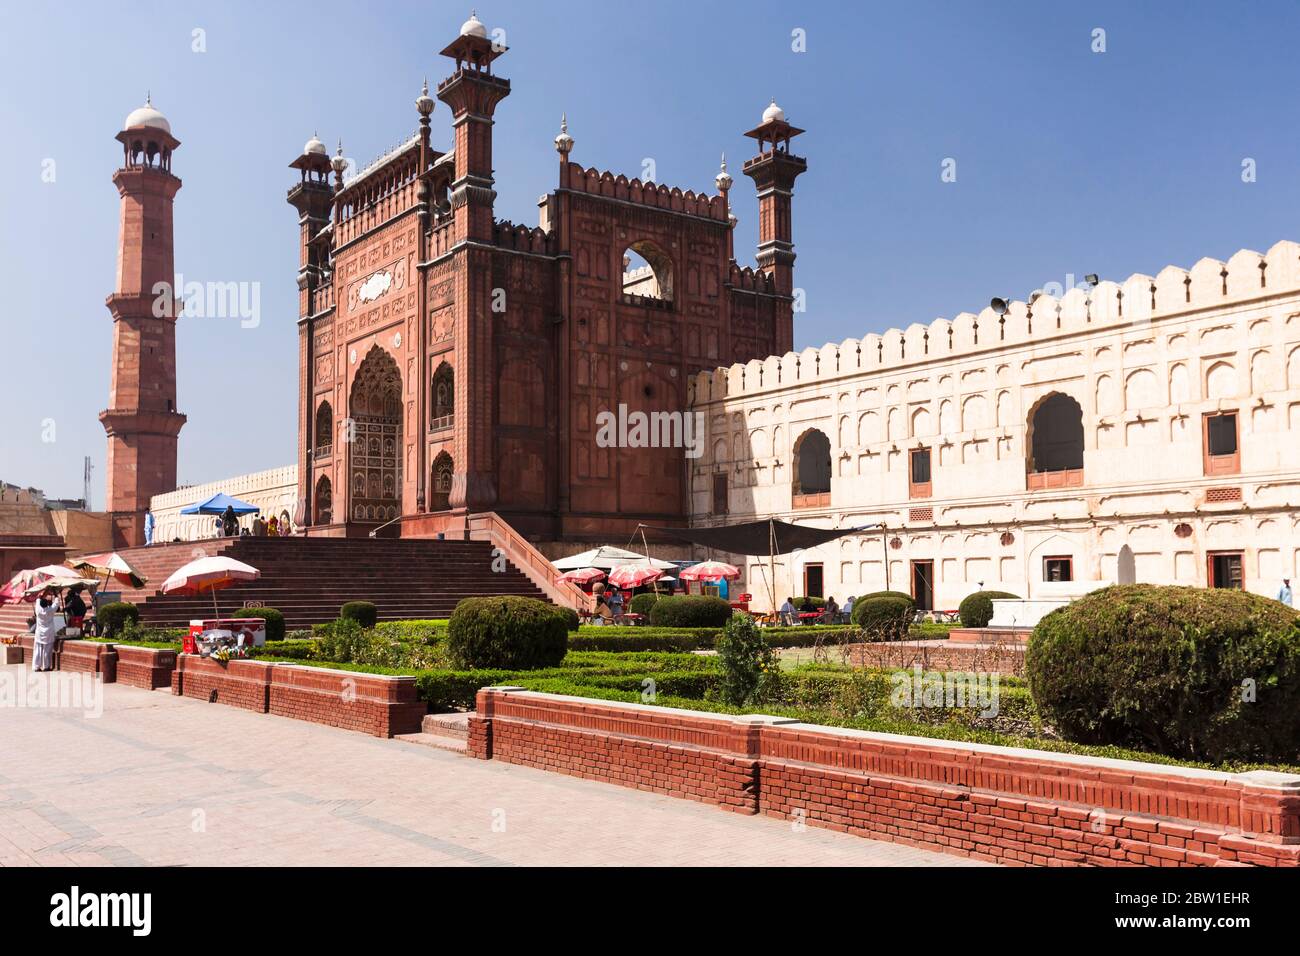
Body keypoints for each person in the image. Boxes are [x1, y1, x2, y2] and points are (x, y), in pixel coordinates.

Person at [32, 587, 60, 672]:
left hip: (39, 633)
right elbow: (57, 602)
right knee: (47, 651)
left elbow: (39, 599)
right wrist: (54, 592)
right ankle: (46, 666)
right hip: (48, 633)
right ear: (47, 604)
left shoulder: (38, 609)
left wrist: (46, 591)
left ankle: (36, 667)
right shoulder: (50, 610)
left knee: (38, 650)